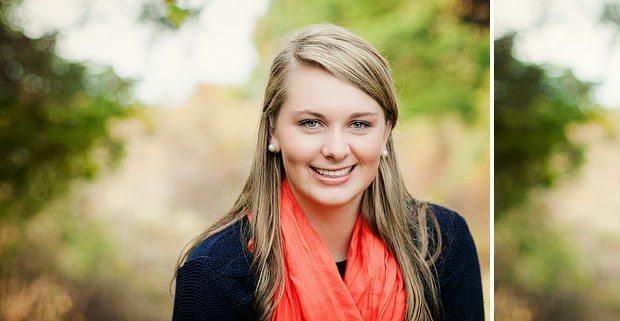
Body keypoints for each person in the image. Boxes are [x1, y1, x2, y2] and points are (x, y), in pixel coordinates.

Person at [172, 23, 484, 321]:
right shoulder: (213, 271)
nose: (336, 149)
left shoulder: (443, 241)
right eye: (311, 123)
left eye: (359, 124)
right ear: (273, 132)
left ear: (386, 132)